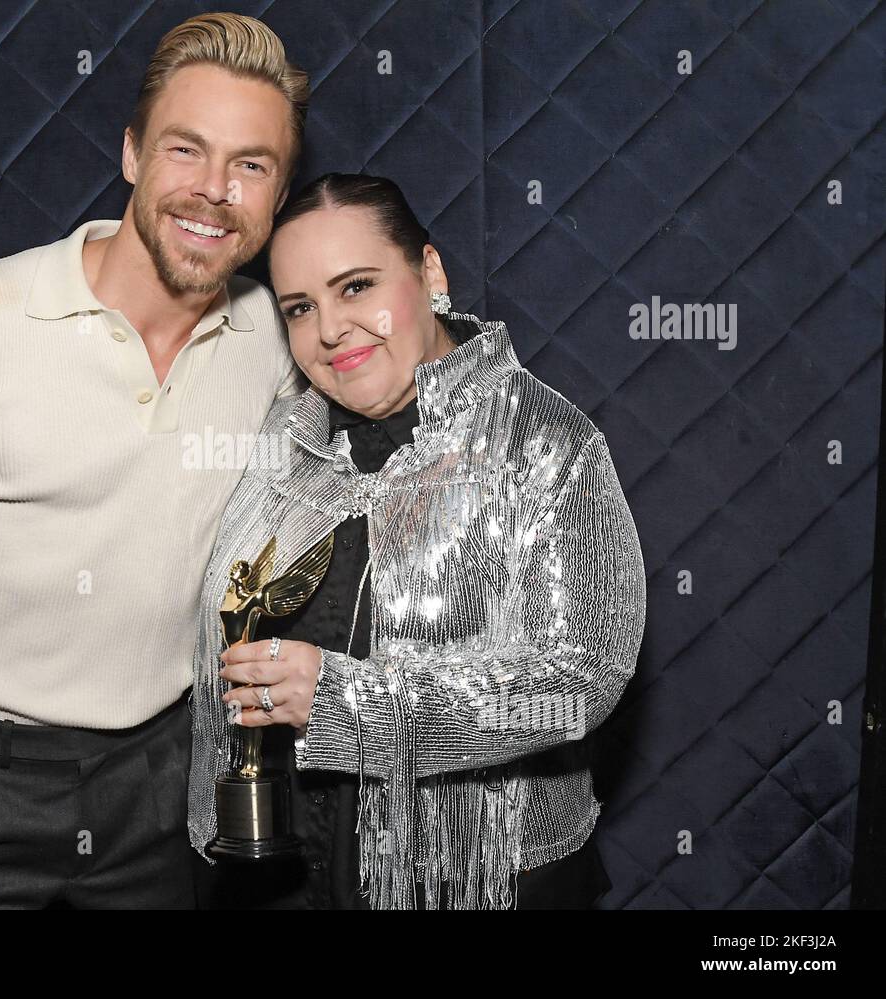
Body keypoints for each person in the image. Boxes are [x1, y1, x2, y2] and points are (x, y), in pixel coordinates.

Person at [0, 13, 309, 908]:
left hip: (163, 788)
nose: (213, 191)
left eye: (251, 166)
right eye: (185, 151)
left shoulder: (278, 338)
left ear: (277, 195)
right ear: (130, 154)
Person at [188, 173, 646, 910]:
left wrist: (347, 703)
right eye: (300, 307)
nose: (330, 328)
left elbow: (579, 683)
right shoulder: (285, 437)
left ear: (429, 273)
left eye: (357, 286)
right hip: (285, 875)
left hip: (482, 886)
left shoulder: (545, 441)